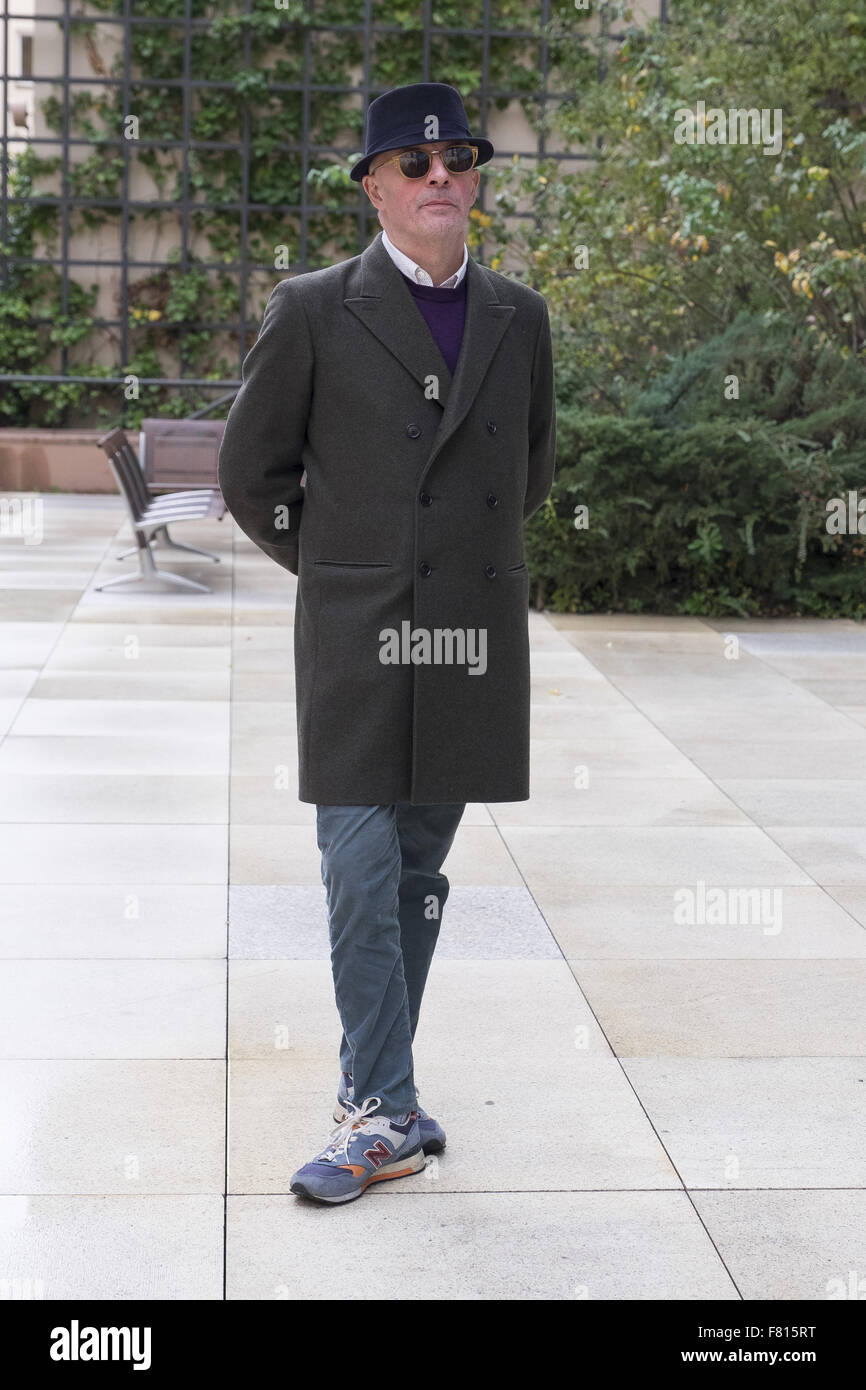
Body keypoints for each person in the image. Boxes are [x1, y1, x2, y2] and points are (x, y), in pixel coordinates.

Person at [218, 81, 557, 1205]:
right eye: (413, 166)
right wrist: (345, 569)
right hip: (359, 639)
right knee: (358, 867)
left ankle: (385, 1093)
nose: (440, 179)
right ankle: (380, 1110)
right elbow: (251, 474)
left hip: (468, 631)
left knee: (417, 872)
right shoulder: (312, 307)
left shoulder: (519, 314)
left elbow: (530, 474)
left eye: (458, 159)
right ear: (371, 184)